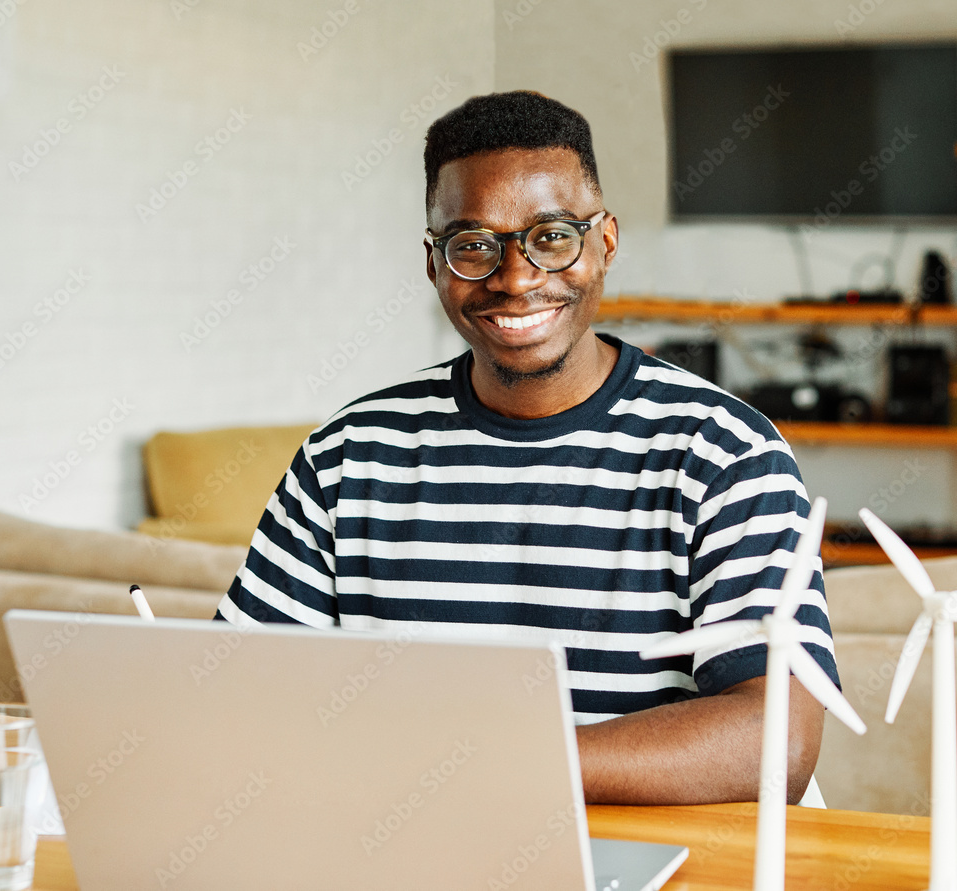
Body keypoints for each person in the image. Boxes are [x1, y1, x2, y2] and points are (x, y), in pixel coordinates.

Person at [216, 90, 838, 806]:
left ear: (604, 241)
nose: (514, 280)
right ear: (434, 264)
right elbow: (241, 694)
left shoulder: (727, 454)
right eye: (473, 245)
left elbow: (779, 740)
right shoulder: (346, 455)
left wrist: (492, 764)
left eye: (551, 236)